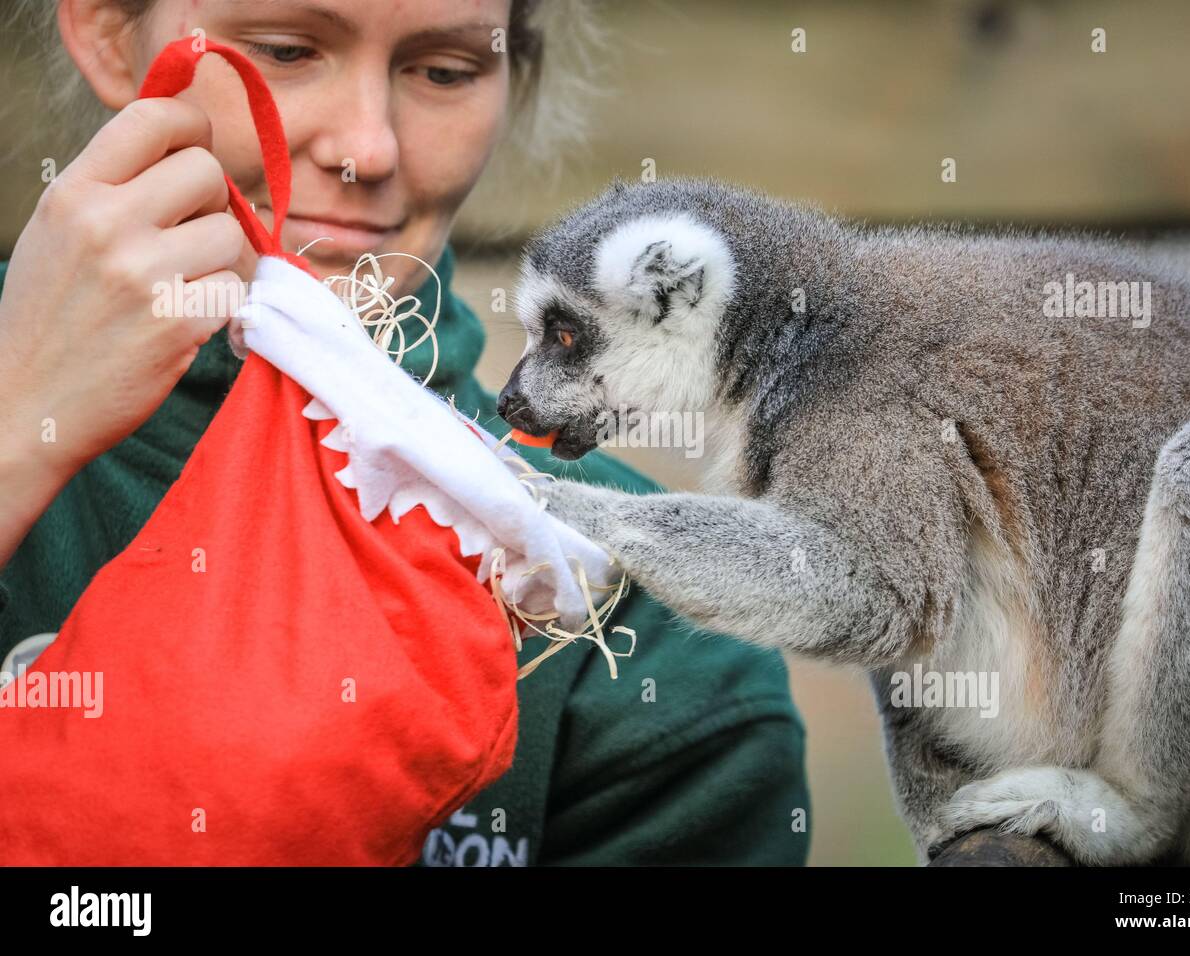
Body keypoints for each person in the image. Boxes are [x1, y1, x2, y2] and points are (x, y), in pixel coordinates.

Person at [0, 0, 810, 865]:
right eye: (286, 50)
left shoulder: (637, 621)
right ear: (108, 34)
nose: (369, 148)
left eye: (444, 71)